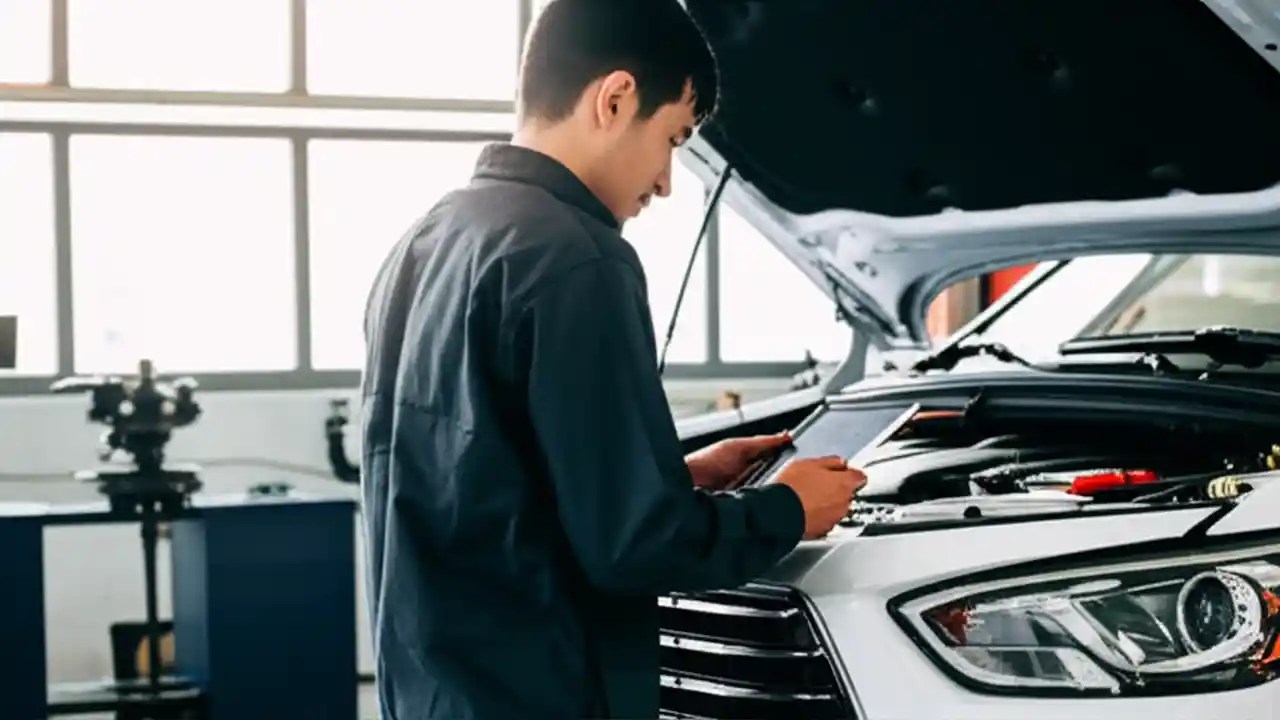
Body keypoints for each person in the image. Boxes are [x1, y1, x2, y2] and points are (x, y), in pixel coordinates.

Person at [358, 1, 867, 718]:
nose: (664, 182)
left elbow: (476, 485)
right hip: (544, 694)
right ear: (616, 97)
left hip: (434, 693)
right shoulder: (577, 259)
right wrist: (787, 510)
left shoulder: (429, 239)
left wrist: (674, 477)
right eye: (673, 139)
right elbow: (634, 547)